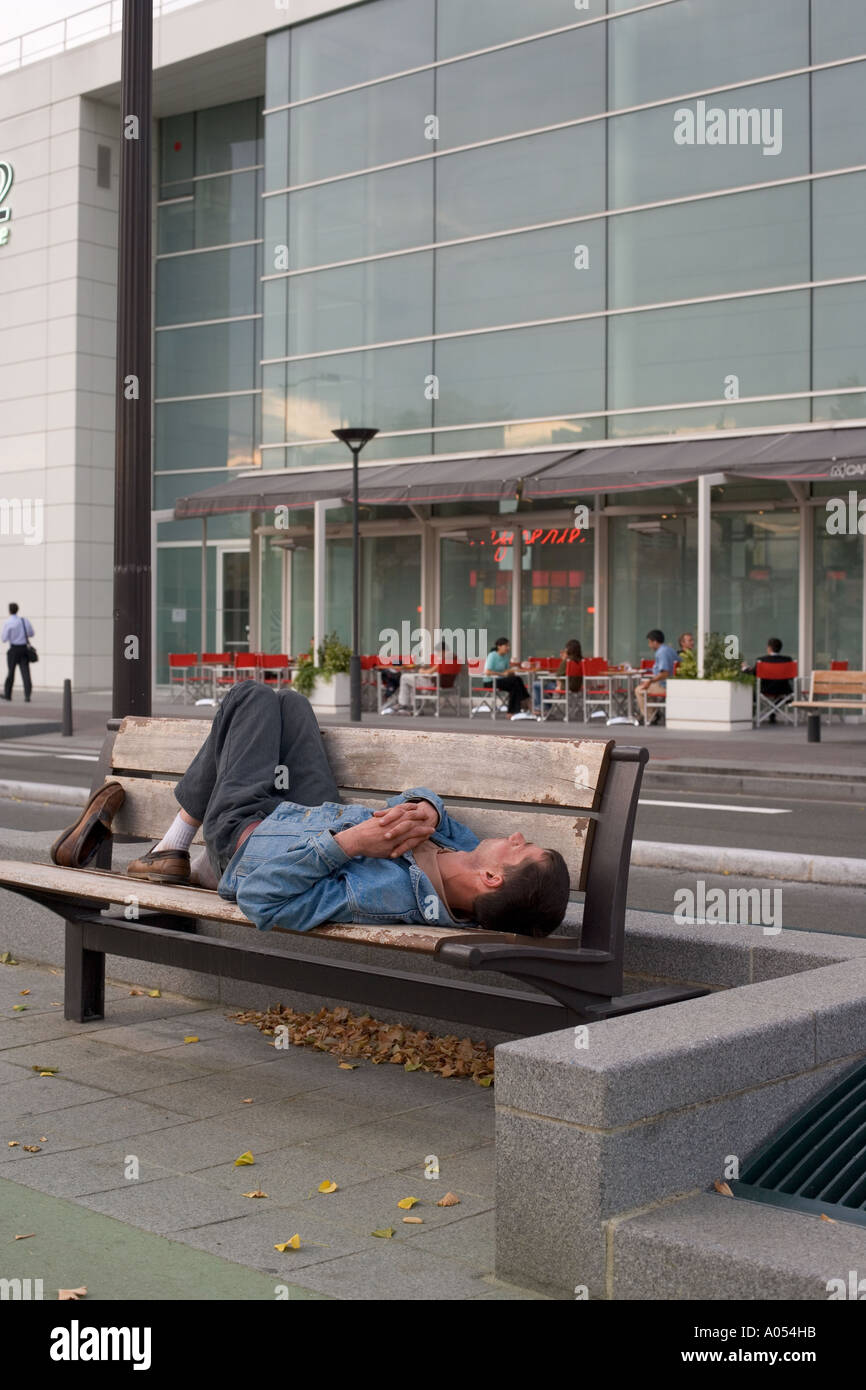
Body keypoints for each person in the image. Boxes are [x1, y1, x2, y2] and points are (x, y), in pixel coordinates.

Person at [49, 683, 570, 938]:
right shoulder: (460, 849)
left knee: (250, 698)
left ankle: (177, 844)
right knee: (292, 704)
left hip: (249, 836)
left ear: (492, 879)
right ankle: (177, 855)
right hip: (310, 810)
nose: (517, 834)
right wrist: (425, 807)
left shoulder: (384, 896)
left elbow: (260, 899)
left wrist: (350, 844)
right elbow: (421, 800)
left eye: (523, 849)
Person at [742, 637, 794, 724]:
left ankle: (772, 710)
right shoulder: (787, 660)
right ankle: (773, 710)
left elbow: (753, 673)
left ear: (769, 648)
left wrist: (744, 668)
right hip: (784, 690)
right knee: (783, 697)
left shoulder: (762, 660)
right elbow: (792, 676)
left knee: (754, 693)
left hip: (765, 690)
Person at [635, 628, 677, 724]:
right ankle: (654, 713)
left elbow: (664, 673)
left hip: (665, 686)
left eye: (649, 642)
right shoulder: (669, 650)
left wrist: (650, 681)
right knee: (648, 687)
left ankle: (650, 717)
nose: (649, 645)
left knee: (639, 690)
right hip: (671, 684)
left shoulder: (661, 652)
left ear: (654, 642)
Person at [483, 637, 530, 717]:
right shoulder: (492, 655)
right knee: (516, 681)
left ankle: (512, 712)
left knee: (516, 684)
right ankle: (526, 704)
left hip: (503, 681)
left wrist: (515, 671)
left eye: (509, 646)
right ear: (499, 646)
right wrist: (502, 674)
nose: (508, 648)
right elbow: (487, 672)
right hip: (491, 681)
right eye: (506, 646)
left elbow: (507, 671)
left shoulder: (505, 657)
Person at [534, 638, 582, 714]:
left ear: (569, 649)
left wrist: (563, 660)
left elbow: (558, 675)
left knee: (537, 684)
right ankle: (545, 707)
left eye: (566, 648)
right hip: (577, 687)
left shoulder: (567, 661)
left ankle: (541, 708)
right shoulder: (581, 661)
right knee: (545, 685)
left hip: (565, 687)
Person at [1, 602, 34, 703]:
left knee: (11, 672)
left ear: (9, 610)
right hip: (24, 649)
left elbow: (4, 639)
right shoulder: (24, 621)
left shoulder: (8, 623)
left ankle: (8, 694)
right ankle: (27, 695)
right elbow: (31, 633)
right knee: (25, 673)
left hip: (14, 649)